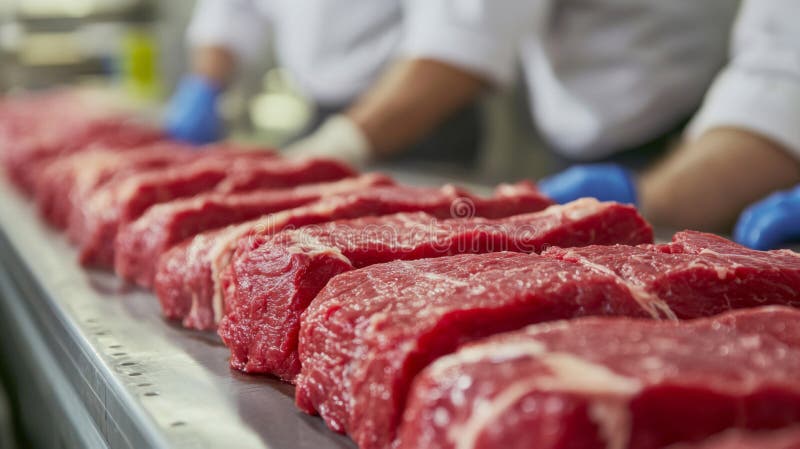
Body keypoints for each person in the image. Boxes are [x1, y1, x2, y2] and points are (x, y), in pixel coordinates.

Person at [168, 0, 737, 167]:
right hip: (593, 132)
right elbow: (229, 9)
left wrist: (337, 146)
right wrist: (205, 83)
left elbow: (461, 41)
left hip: (707, 129)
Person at [539, 0, 800, 249]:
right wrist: (646, 200)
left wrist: (652, 202)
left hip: (710, 126)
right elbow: (780, 64)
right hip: (609, 132)